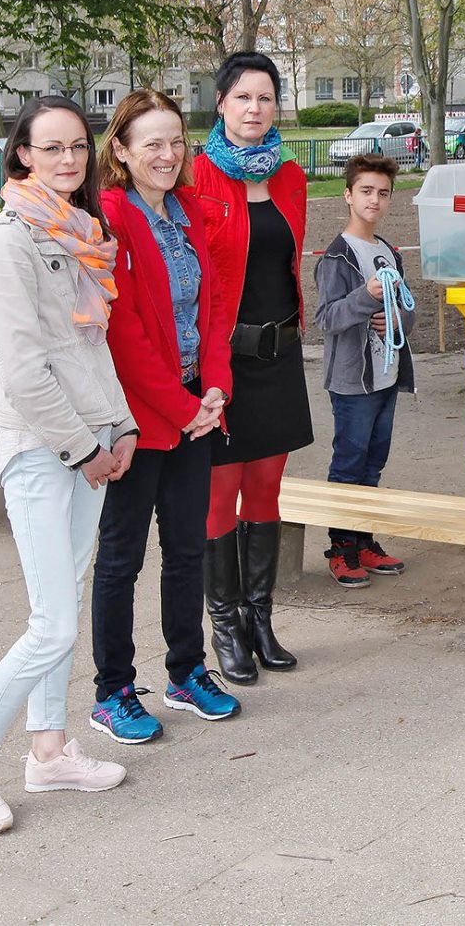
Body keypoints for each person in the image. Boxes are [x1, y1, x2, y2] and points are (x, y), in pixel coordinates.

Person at [0, 95, 135, 836]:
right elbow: (22, 371)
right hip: (42, 450)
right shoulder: (10, 243)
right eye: (51, 147)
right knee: (52, 624)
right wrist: (83, 447)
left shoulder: (81, 234)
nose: (68, 159)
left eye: (78, 147)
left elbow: (89, 348)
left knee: (67, 600)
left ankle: (49, 750)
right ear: (20, 152)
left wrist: (118, 427)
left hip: (90, 443)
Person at [89, 91, 242, 745]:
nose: (167, 153)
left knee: (186, 548)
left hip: (192, 409)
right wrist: (184, 408)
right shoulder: (110, 217)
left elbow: (210, 312)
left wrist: (215, 391)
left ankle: (185, 670)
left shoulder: (185, 210)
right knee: (122, 556)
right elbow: (124, 333)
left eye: (175, 139)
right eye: (151, 141)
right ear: (121, 149)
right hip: (136, 416)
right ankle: (113, 689)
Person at [190, 52, 312, 684]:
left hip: (281, 356)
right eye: (243, 98)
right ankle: (226, 624)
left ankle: (262, 618)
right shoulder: (198, 177)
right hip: (224, 360)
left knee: (267, 490)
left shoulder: (291, 177)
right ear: (222, 103)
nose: (255, 110)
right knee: (220, 496)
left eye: (265, 98)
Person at [311, 152, 413, 587]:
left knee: (373, 462)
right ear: (348, 195)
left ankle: (363, 540)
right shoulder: (337, 258)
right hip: (354, 381)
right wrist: (368, 298)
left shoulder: (388, 251)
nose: (375, 200)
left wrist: (393, 318)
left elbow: (406, 309)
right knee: (349, 462)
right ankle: (341, 547)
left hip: (386, 376)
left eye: (383, 193)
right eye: (366, 191)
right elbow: (326, 319)